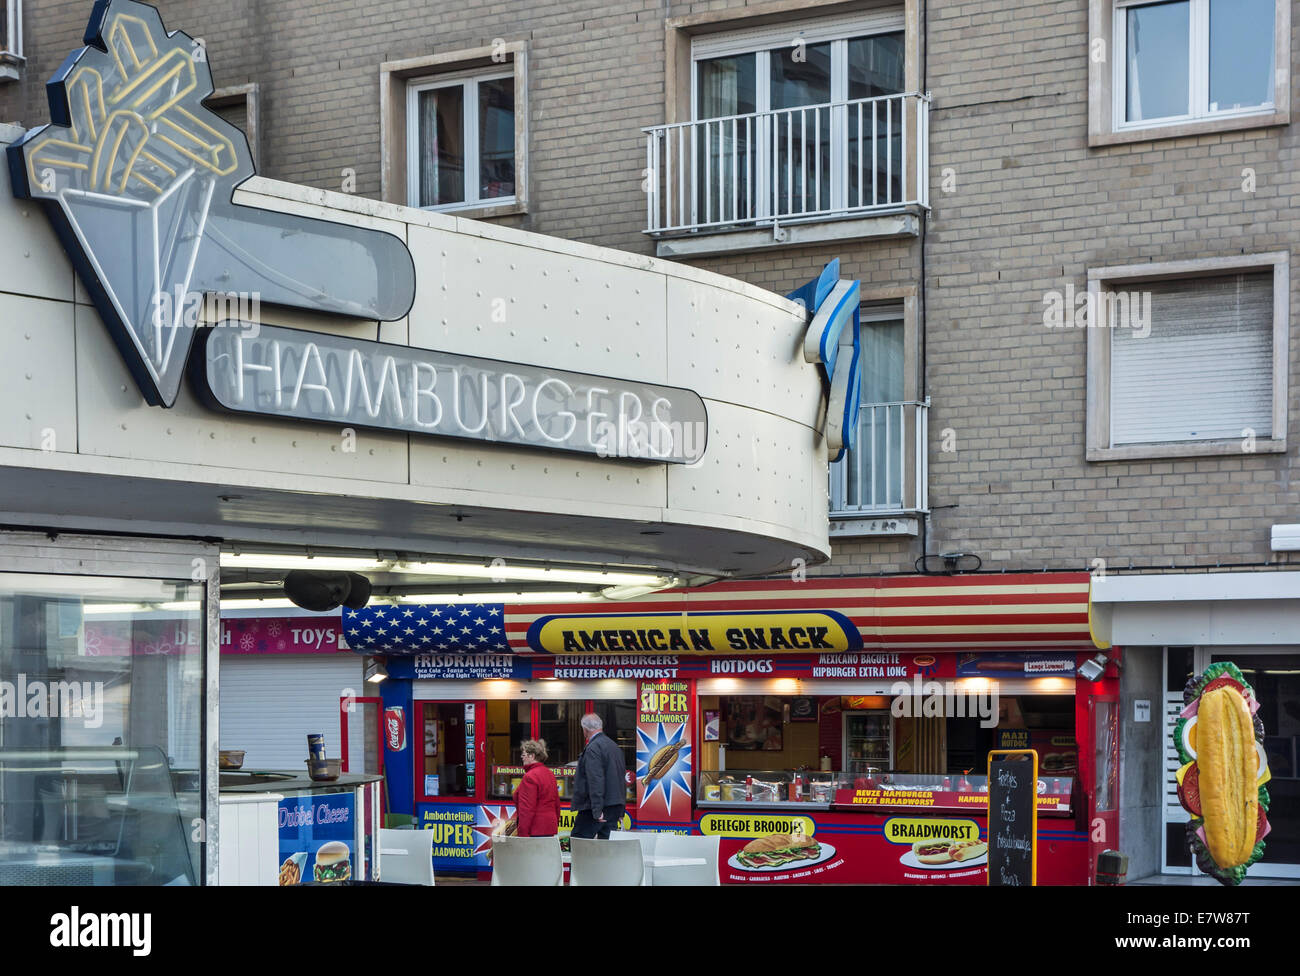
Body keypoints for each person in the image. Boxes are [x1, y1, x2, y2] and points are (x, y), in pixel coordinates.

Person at [569, 713, 627, 839]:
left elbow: (595, 780)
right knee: (605, 849)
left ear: (585, 729)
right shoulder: (614, 747)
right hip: (614, 806)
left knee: (579, 843)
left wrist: (597, 810)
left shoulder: (593, 748)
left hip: (595, 808)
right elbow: (621, 778)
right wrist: (621, 809)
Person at [513, 738, 561, 837]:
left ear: (532, 756)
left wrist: (523, 834)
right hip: (549, 828)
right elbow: (556, 803)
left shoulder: (530, 776)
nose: (522, 758)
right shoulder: (549, 773)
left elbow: (527, 809)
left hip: (534, 829)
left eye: (524, 755)